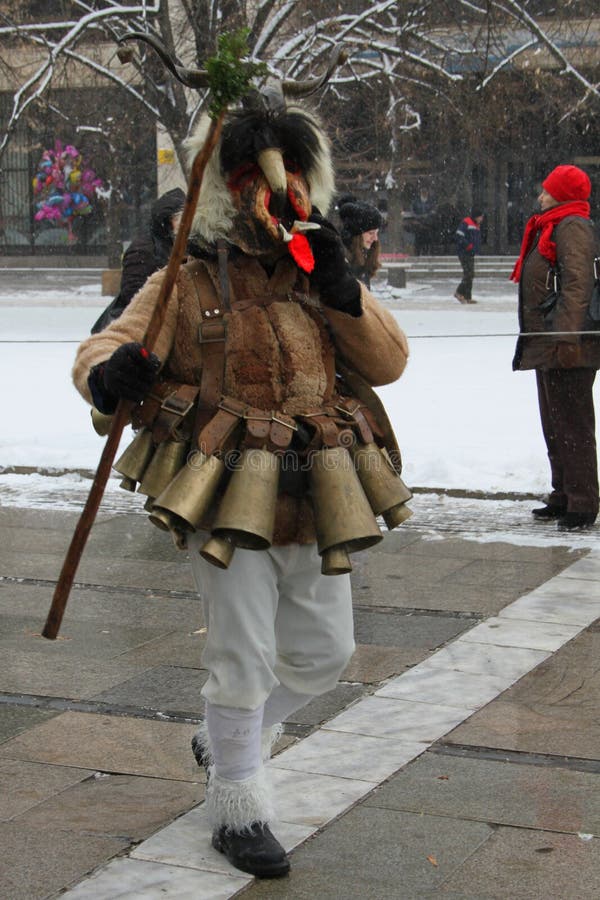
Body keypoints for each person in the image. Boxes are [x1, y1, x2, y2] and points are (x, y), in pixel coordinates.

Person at [71, 89, 410, 879]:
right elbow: (101, 352)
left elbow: (390, 362)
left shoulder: (314, 273)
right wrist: (108, 375)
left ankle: (230, 735)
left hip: (319, 483)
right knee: (242, 653)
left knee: (327, 653)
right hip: (224, 484)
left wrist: (341, 289)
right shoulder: (185, 279)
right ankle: (238, 804)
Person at [511, 164, 600, 530]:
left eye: (547, 190)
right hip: (549, 343)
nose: (540, 195)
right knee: (555, 423)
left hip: (568, 346)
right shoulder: (552, 225)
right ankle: (563, 493)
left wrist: (564, 337)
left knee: (573, 425)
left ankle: (583, 501)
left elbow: (578, 286)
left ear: (562, 194)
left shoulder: (572, 226)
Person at [91, 187, 185, 333]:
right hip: (140, 327)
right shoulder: (144, 249)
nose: (185, 224)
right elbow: (133, 294)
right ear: (167, 219)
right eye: (180, 218)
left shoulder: (179, 246)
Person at [338, 197, 383, 289]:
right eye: (371, 233)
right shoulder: (340, 261)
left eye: (376, 233)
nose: (375, 238)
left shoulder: (365, 255)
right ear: (356, 235)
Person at [454, 206, 484, 304]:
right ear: (476, 216)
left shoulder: (476, 225)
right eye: (480, 217)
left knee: (471, 274)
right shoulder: (466, 223)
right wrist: (468, 246)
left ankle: (467, 297)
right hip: (464, 252)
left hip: (470, 253)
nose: (482, 219)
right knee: (468, 273)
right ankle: (459, 292)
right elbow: (459, 236)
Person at [411, 186, 436, 256]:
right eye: (423, 191)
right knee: (418, 239)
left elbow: (433, 211)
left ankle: (427, 252)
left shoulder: (431, 201)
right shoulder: (416, 201)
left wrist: (427, 216)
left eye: (425, 191)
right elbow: (412, 212)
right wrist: (419, 217)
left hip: (428, 224)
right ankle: (417, 252)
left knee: (428, 239)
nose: (424, 193)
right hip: (418, 224)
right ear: (420, 192)